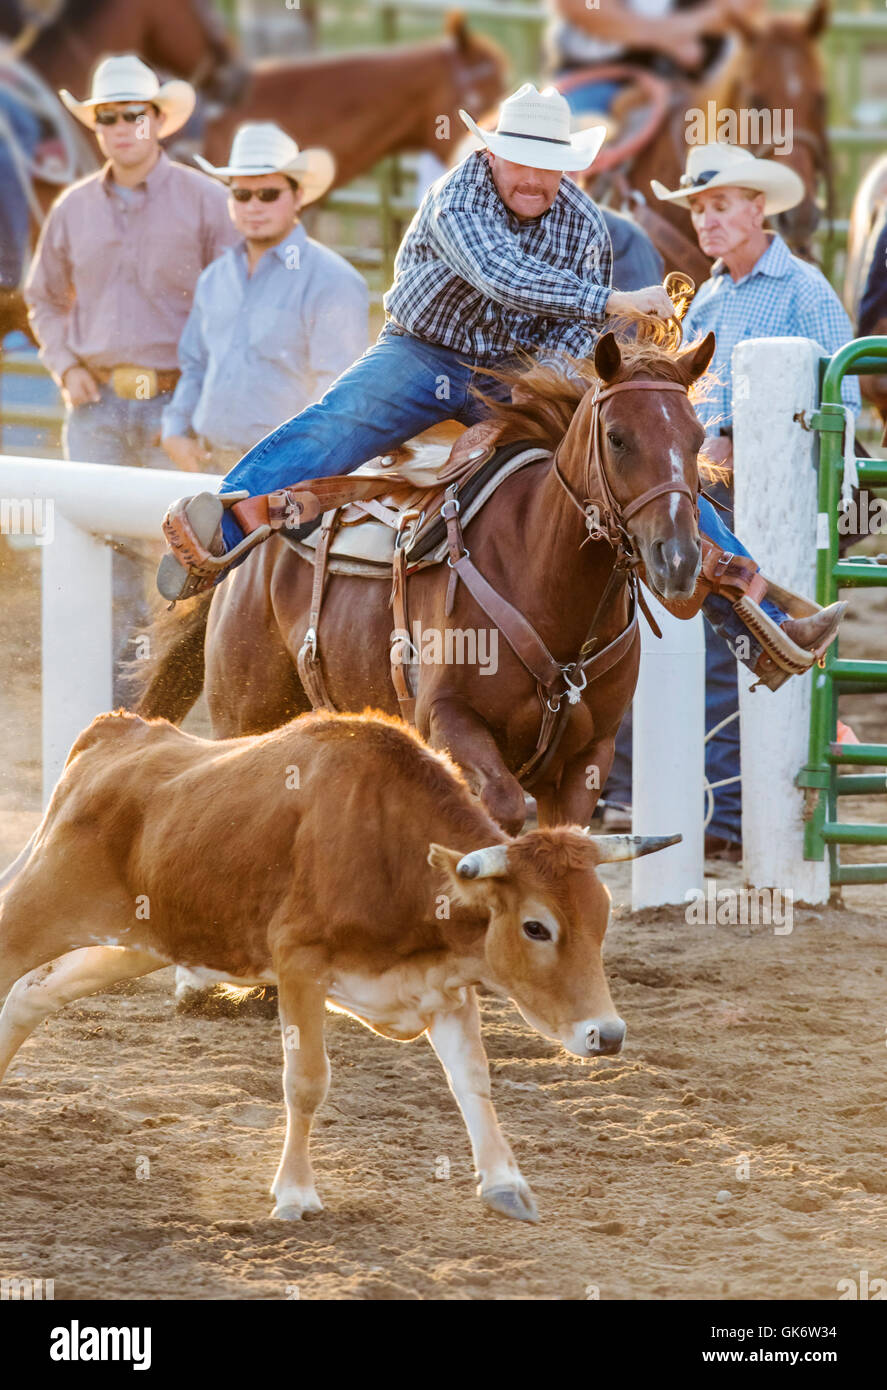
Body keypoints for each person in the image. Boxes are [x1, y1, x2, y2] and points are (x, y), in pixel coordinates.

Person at [158, 84, 845, 700]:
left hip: (515, 371)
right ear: (491, 157)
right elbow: (501, 276)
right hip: (422, 352)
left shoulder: (579, 224)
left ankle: (761, 617)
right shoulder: (457, 197)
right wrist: (613, 300)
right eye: (520, 160)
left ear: (567, 167)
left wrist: (550, 395)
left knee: (641, 459)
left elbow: (568, 340)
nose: (534, 177)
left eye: (548, 165)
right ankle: (217, 530)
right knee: (340, 421)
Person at [620, 141, 857, 856]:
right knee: (697, 638)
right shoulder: (713, 297)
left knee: (721, 649)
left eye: (720, 206)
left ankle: (719, 816)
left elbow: (840, 395)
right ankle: (687, 803)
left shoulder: (803, 289)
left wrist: (733, 439)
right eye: (697, 210)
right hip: (712, 496)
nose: (707, 222)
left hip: (775, 497)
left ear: (758, 210)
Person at [24, 54, 238, 703]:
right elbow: (44, 298)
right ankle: (107, 707)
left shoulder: (205, 202)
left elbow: (231, 301)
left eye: (133, 115)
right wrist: (64, 365)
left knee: (180, 562)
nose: (121, 127)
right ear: (97, 127)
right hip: (96, 408)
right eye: (108, 117)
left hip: (175, 406)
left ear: (157, 122)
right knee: (101, 562)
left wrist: (199, 398)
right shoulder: (72, 209)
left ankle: (161, 703)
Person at [161, 123, 368, 475]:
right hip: (208, 463)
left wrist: (298, 462)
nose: (254, 206)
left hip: (287, 473)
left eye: (268, 194)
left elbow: (337, 390)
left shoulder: (333, 280)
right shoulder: (215, 278)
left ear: (298, 195)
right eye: (242, 195)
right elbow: (195, 365)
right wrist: (174, 432)